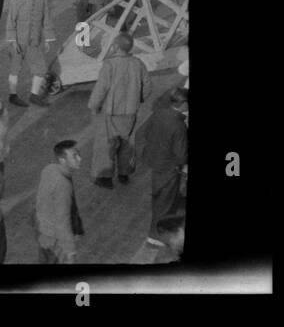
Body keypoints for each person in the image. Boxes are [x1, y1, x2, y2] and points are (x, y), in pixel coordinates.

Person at [86, 32, 152, 188]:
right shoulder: (138, 63)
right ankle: (124, 174)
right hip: (131, 112)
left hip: (111, 112)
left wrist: (94, 106)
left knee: (106, 145)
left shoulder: (110, 65)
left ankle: (105, 177)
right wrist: (138, 99)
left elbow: (101, 89)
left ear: (115, 47)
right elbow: (148, 86)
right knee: (127, 143)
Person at [141, 87, 188, 247]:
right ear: (183, 104)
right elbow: (181, 155)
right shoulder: (179, 125)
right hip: (169, 168)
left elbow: (147, 134)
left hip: (156, 163)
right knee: (165, 201)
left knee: (160, 198)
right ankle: (155, 236)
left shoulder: (159, 113)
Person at [5, 0, 55, 108]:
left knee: (40, 69)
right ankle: (12, 95)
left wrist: (48, 39)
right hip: (18, 42)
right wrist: (13, 42)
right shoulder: (16, 0)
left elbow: (46, 19)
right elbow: (10, 22)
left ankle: (34, 95)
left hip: (34, 41)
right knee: (15, 69)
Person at [35, 139, 84, 263]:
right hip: (57, 240)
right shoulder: (63, 185)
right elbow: (63, 221)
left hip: (43, 232)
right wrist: (71, 250)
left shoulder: (49, 169)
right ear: (62, 160)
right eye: (75, 156)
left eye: (78, 154)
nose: (80, 158)